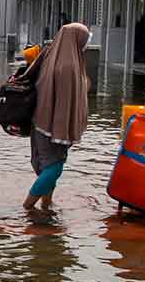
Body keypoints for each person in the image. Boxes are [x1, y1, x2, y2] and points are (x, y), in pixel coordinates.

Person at [22, 23, 92, 211]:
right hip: (53, 126)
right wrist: (63, 131)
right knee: (54, 168)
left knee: (47, 165)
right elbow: (66, 103)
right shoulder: (69, 65)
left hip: (39, 121)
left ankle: (46, 205)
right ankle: (28, 206)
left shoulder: (49, 55)